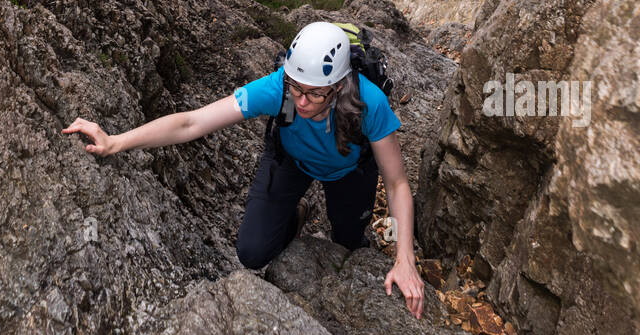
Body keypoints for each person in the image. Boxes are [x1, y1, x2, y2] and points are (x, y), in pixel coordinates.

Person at [63, 20, 425, 318]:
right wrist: (115, 142)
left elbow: (396, 184)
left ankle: (342, 227)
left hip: (349, 172)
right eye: (295, 88)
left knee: (348, 241)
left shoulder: (369, 104)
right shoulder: (277, 88)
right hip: (291, 161)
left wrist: (404, 258)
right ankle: (296, 214)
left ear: (340, 85)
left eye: (315, 94)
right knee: (251, 252)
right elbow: (192, 122)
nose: (300, 101)